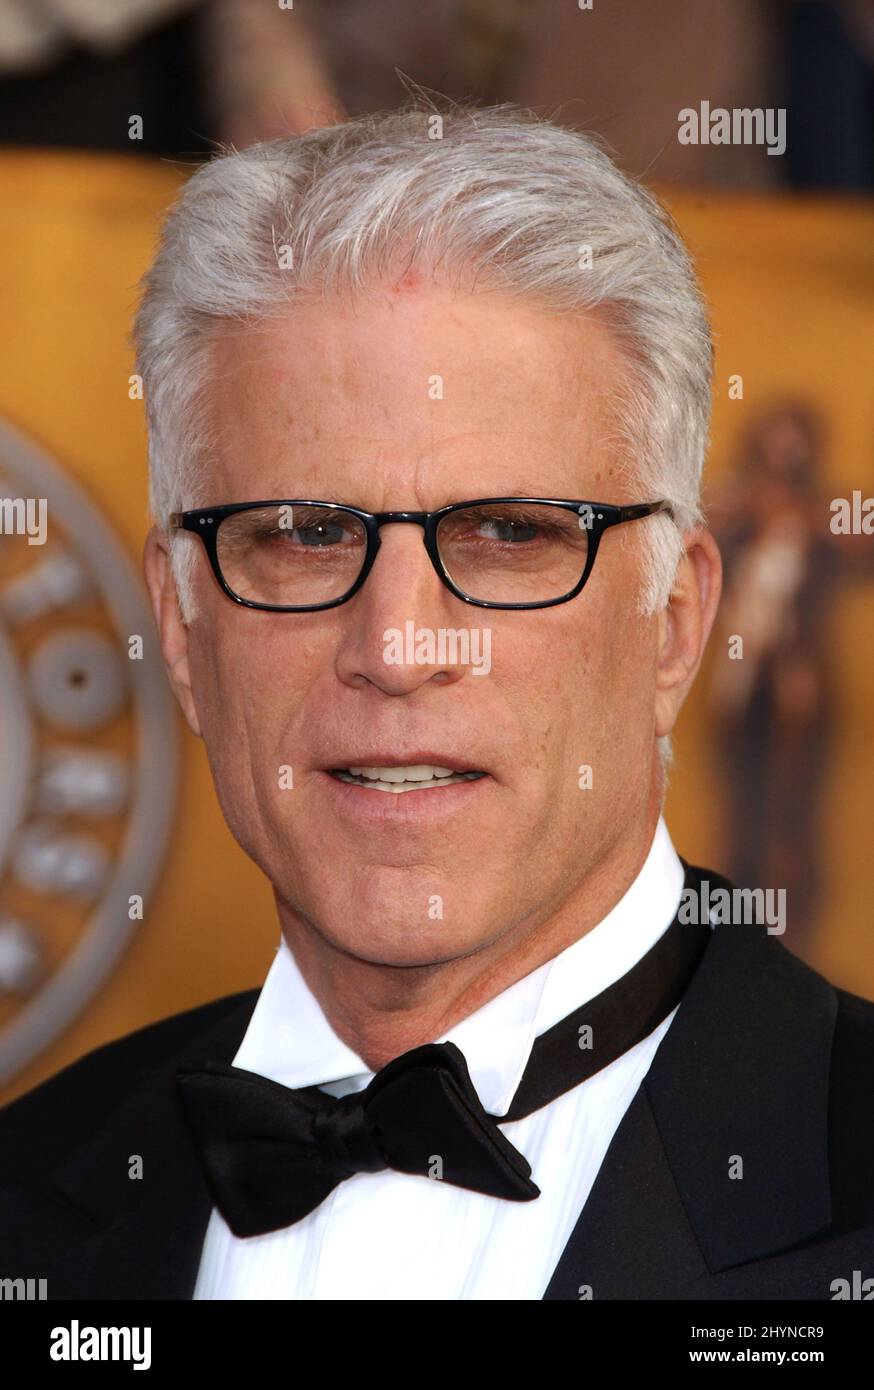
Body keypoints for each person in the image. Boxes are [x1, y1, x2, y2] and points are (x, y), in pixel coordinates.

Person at [1, 102, 872, 1301]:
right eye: (305, 534)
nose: (398, 645)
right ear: (184, 629)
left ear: (673, 622)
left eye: (508, 533)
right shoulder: (27, 1193)